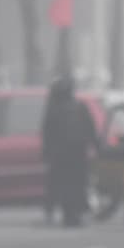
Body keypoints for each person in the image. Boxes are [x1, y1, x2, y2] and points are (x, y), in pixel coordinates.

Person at [40, 76, 99, 228]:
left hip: (60, 154)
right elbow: (91, 129)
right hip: (79, 153)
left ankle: (64, 213)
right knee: (78, 184)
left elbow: (47, 133)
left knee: (60, 184)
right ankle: (77, 213)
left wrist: (46, 153)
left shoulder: (53, 109)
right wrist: (97, 146)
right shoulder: (80, 107)